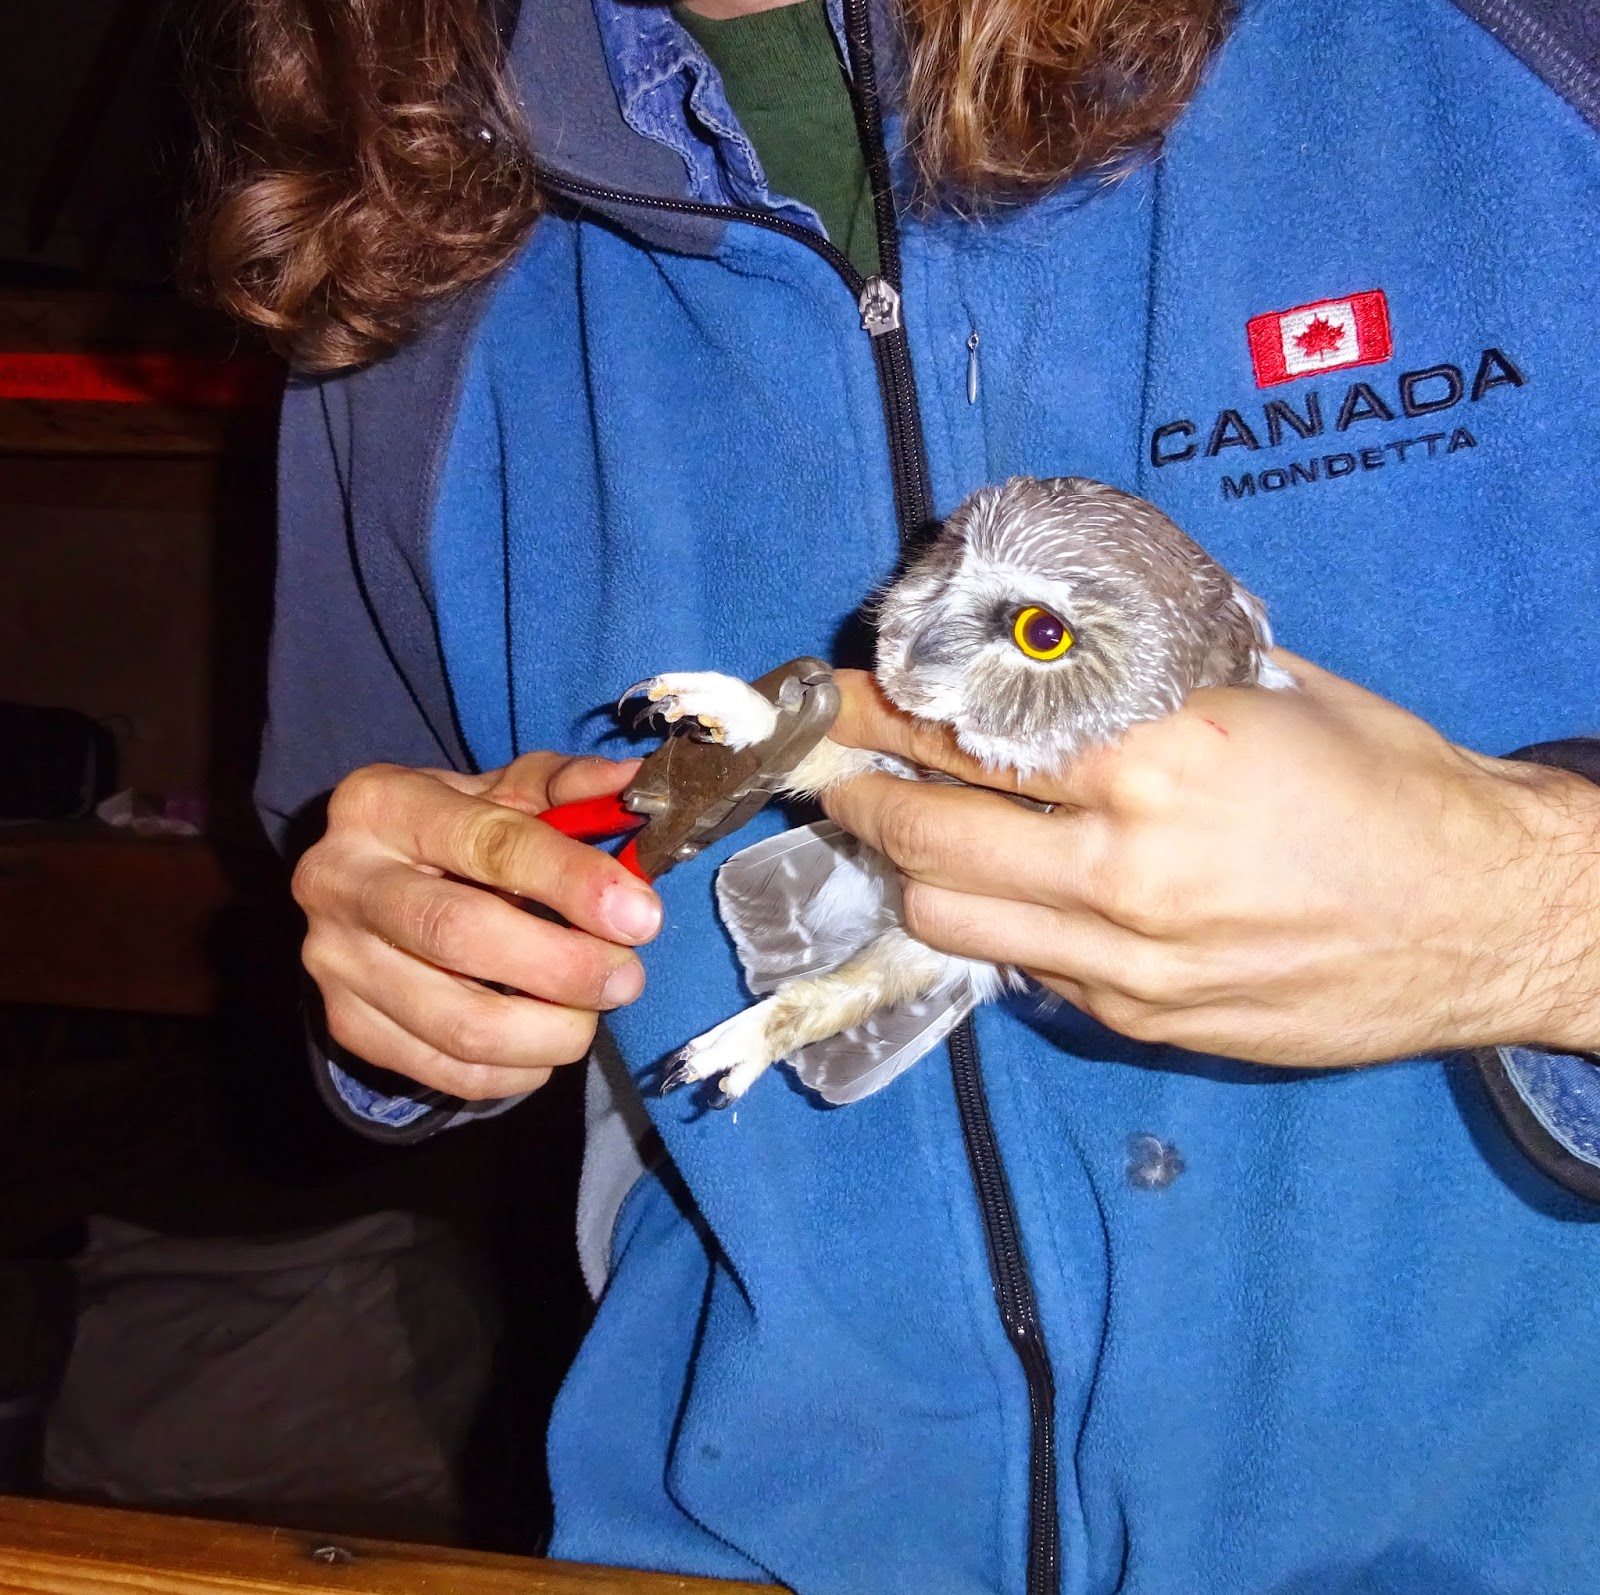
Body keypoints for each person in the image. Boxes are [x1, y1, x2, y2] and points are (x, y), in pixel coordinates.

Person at [197, 0, 1600, 1585]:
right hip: (738, 1547)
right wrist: (406, 973)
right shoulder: (396, 226)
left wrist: (1534, 913)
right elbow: (356, 863)